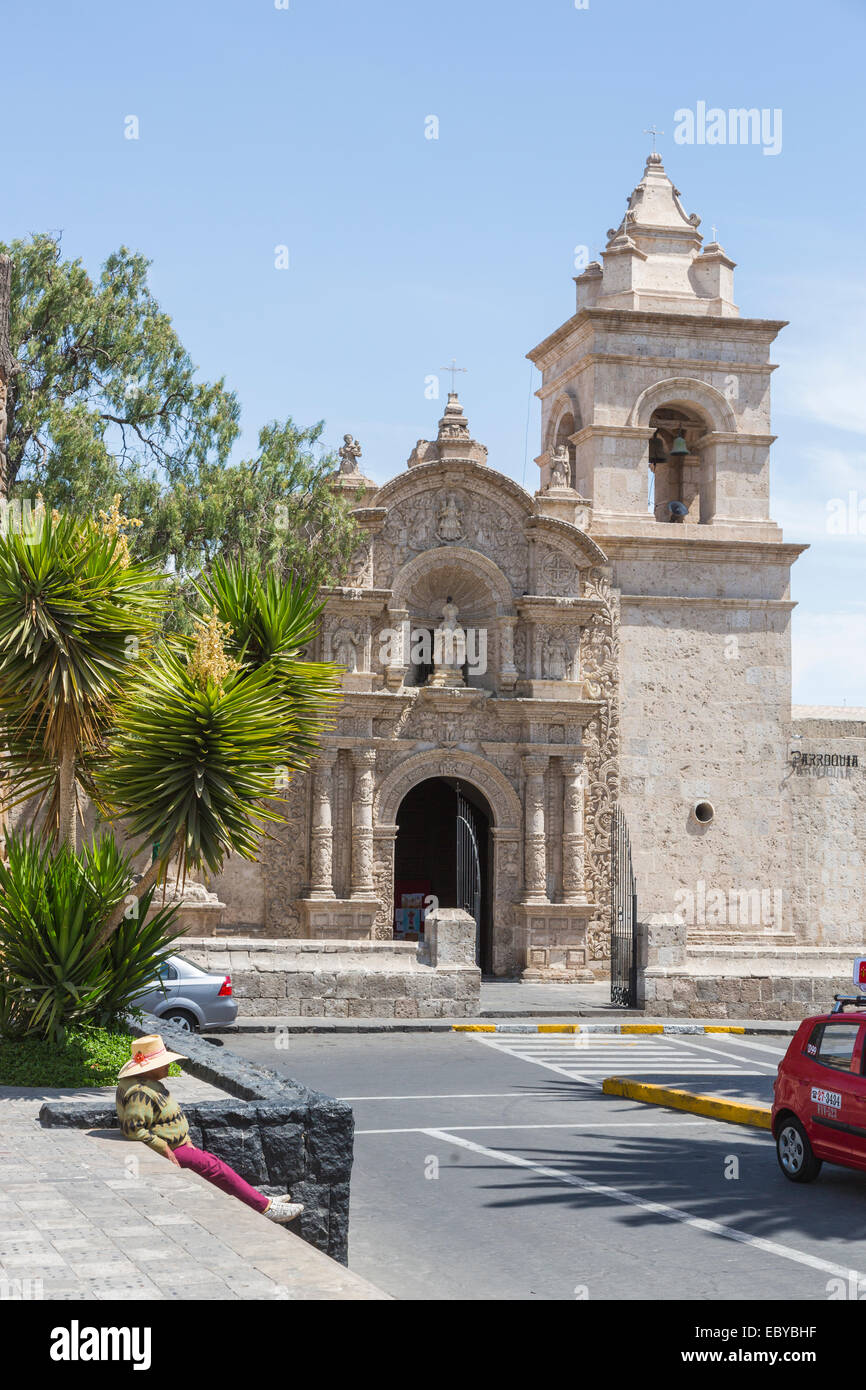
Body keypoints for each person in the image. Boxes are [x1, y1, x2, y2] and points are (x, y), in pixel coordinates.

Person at [115, 1033, 303, 1224]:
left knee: (215, 1164)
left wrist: (185, 1138)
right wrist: (163, 1148)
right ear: (150, 1068)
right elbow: (134, 1129)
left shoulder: (146, 1085)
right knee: (216, 1169)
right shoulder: (140, 1092)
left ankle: (259, 1199)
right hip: (170, 1149)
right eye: (163, 1063)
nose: (168, 1066)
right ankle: (263, 1207)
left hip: (179, 1145)